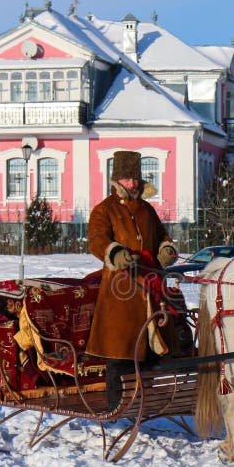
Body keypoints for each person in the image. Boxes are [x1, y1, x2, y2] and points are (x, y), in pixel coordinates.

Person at [85, 150, 177, 409]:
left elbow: (161, 236)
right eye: (127, 178)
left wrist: (165, 249)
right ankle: (116, 407)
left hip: (151, 288)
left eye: (135, 178)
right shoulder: (105, 209)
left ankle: (144, 403)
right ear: (117, 180)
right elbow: (96, 240)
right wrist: (116, 253)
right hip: (119, 293)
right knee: (120, 354)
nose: (133, 183)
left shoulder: (147, 209)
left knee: (150, 353)